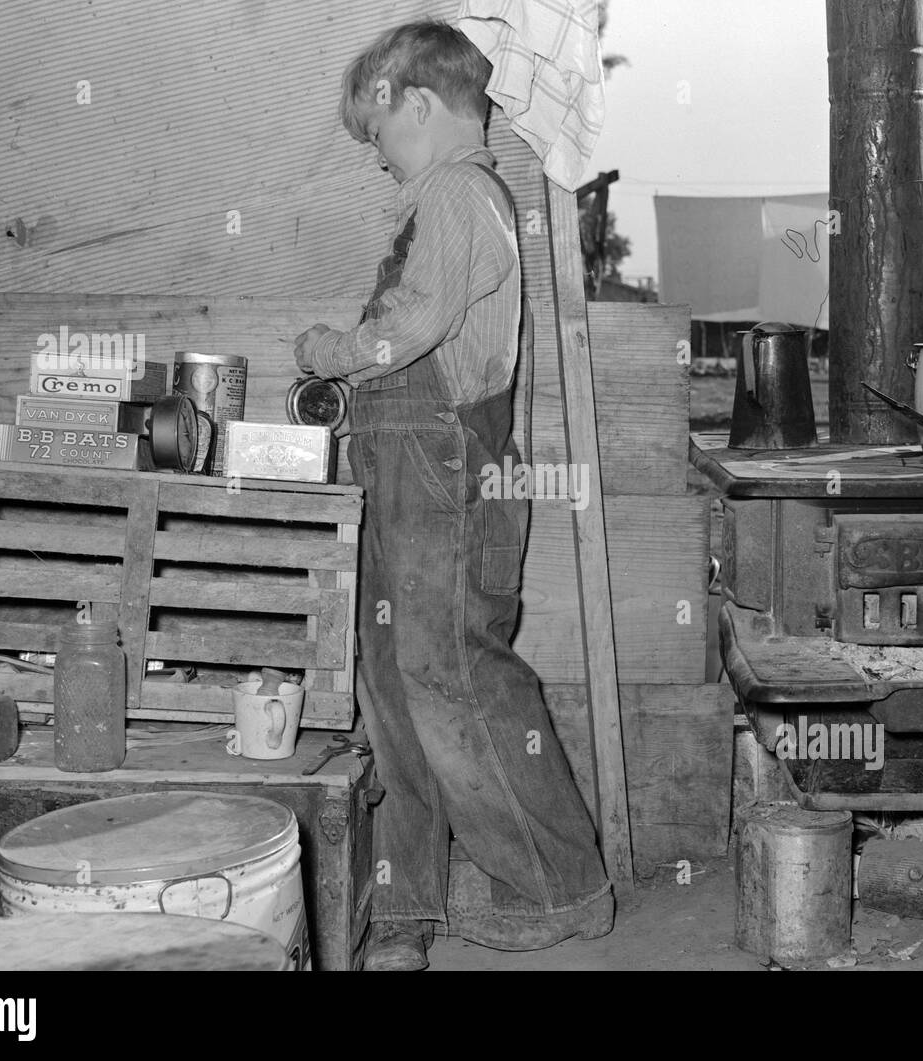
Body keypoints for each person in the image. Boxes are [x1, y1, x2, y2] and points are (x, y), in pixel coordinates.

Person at [293, 20, 612, 972]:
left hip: (446, 468)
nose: (376, 160)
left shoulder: (462, 197)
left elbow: (418, 321)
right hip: (401, 465)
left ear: (417, 105)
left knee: (455, 676)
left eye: (378, 135)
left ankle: (562, 886)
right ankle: (407, 899)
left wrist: (334, 351)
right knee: (390, 683)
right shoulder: (434, 204)